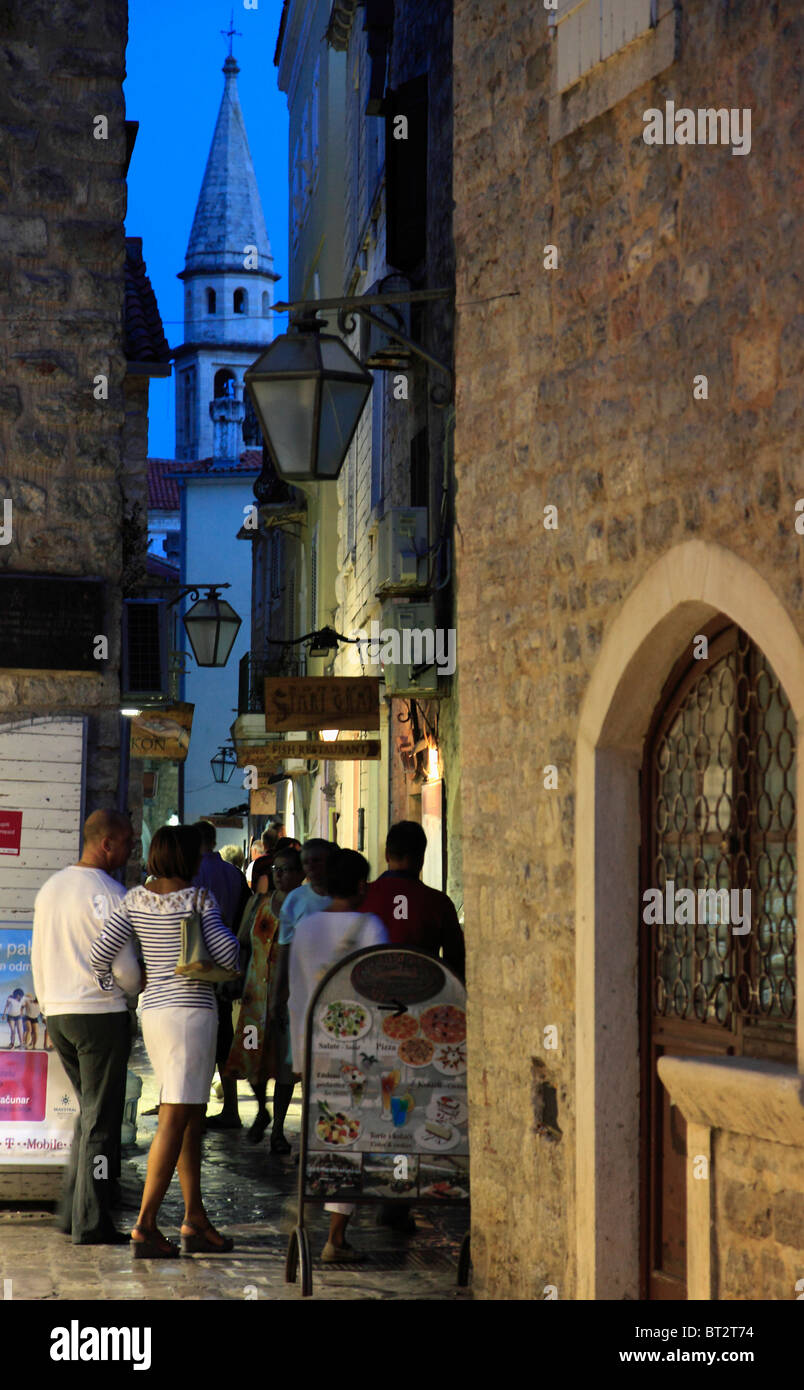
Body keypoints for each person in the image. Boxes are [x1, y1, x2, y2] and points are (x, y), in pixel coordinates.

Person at [90, 824, 239, 1258]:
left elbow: (102, 954)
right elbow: (229, 956)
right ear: (190, 859)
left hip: (154, 1012)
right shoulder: (197, 899)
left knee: (189, 1113)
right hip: (192, 1013)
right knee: (177, 1115)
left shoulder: (134, 899)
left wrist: (123, 987)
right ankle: (145, 1224)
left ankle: (195, 1217)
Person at [31, 809, 140, 1245]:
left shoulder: (51, 889)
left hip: (58, 1011)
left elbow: (39, 953)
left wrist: (47, 1002)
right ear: (107, 843)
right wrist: (138, 988)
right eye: (128, 840)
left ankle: (72, 1209)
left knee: (88, 1114)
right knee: (101, 1121)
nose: (133, 848)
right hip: (99, 1013)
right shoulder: (113, 894)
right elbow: (127, 971)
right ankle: (92, 1220)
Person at [288, 849, 388, 1263]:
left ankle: (305, 1219)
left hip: (311, 1047)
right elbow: (380, 991)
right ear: (362, 885)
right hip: (355, 1050)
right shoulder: (370, 927)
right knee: (350, 1137)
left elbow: (296, 990)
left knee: (318, 1132)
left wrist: (296, 1048)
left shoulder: (307, 927)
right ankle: (335, 1236)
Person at [224, 847, 305, 1151]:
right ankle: (262, 1109)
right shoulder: (260, 903)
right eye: (276, 870)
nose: (280, 876)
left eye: (286, 870)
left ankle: (280, 1129)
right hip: (256, 995)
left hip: (290, 996)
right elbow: (242, 941)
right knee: (249, 1058)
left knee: (286, 1065)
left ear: (301, 875)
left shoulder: (305, 908)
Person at [192, 820, 251, 1130]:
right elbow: (245, 921)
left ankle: (195, 1109)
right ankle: (231, 1107)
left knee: (197, 1043)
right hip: (226, 969)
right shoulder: (235, 875)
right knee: (224, 1041)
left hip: (195, 971)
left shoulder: (190, 875)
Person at [362, 821, 465, 979]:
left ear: (386, 855)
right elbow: (456, 964)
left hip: (368, 994)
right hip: (425, 996)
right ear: (422, 858)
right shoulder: (440, 903)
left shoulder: (362, 896)